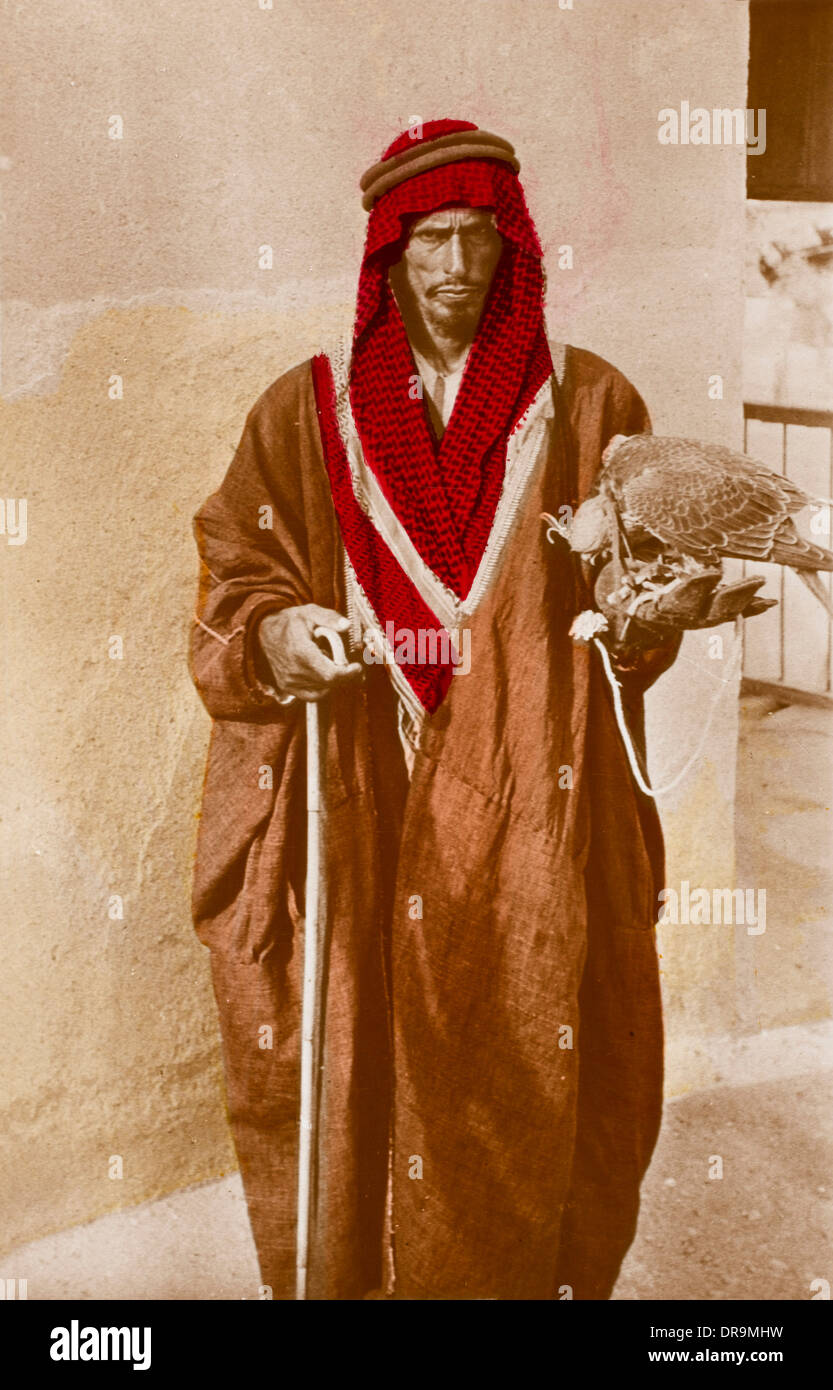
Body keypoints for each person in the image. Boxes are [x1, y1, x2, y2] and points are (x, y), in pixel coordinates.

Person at [189, 119, 693, 1300]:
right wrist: (274, 633)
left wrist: (646, 610)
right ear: (388, 254)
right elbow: (241, 566)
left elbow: (634, 590)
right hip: (363, 786)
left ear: (511, 248)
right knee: (354, 1059)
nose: (456, 266)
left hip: (529, 800)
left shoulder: (589, 405)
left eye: (479, 238)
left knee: (525, 1043)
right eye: (430, 240)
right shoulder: (303, 414)